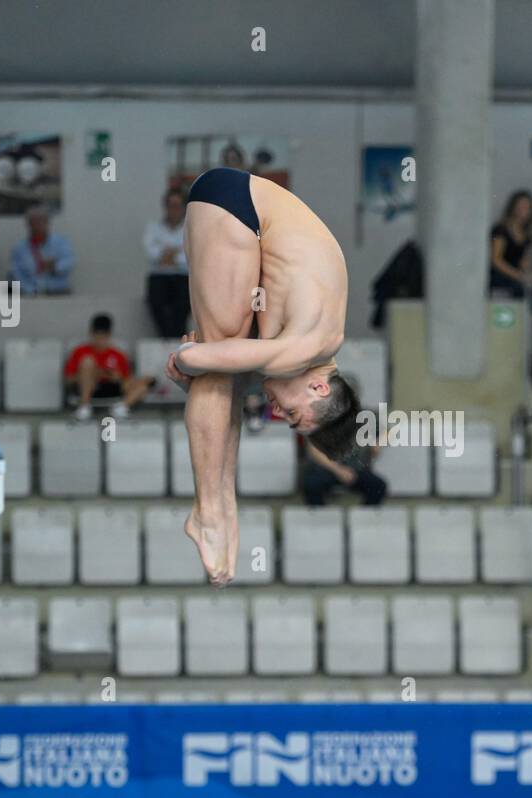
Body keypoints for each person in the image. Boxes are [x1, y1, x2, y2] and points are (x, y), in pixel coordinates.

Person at [163, 167, 355, 586]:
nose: (280, 414)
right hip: (237, 207)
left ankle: (222, 505)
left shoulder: (319, 345)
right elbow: (203, 358)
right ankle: (209, 514)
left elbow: (237, 366)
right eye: (294, 417)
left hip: (243, 209)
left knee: (223, 369)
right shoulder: (307, 346)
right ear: (319, 387)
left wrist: (198, 369)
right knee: (219, 354)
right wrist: (191, 359)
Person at [64, 313, 154, 421]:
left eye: (103, 336)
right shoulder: (80, 352)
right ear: (91, 334)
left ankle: (121, 408)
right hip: (89, 388)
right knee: (87, 362)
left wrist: (118, 378)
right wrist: (91, 374)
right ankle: (84, 406)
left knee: (145, 382)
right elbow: (69, 380)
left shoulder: (118, 355)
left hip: (112, 387)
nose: (100, 340)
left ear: (109, 335)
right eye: (97, 335)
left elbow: (126, 381)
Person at [144, 188, 192, 338]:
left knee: (182, 307)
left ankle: (178, 339)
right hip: (159, 276)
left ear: (184, 207)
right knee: (156, 304)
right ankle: (164, 338)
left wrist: (167, 255)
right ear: (165, 206)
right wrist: (177, 252)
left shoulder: (190, 227)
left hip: (182, 277)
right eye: (171, 205)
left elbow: (191, 255)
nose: (174, 210)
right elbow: (150, 252)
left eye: (177, 206)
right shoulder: (153, 227)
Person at [10, 205, 75, 294]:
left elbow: (69, 263)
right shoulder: (20, 248)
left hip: (59, 291)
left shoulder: (60, 243)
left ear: (47, 223)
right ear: (28, 225)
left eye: (41, 222)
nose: (37, 226)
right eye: (34, 222)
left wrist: (54, 267)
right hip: (31, 294)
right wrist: (30, 291)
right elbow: (16, 274)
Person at [302, 441, 387, 507]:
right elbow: (313, 450)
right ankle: (322, 521)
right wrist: (338, 470)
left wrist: (378, 444)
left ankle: (362, 520)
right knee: (312, 484)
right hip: (328, 469)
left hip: (355, 470)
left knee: (378, 486)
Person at [488, 190, 532, 299]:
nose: (524, 210)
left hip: (516, 276)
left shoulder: (526, 233)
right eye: (521, 206)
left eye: (527, 207)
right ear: (513, 207)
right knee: (518, 291)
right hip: (501, 276)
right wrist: (518, 275)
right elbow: (496, 260)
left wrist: (527, 274)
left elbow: (524, 260)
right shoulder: (501, 230)